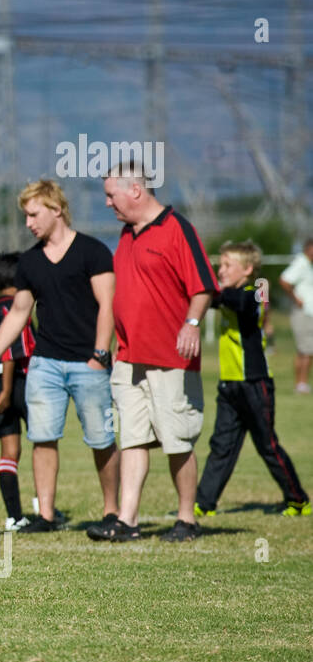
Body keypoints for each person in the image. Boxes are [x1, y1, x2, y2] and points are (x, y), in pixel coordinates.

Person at [0, 180, 118, 533]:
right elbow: (19, 313)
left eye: (33, 214)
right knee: (42, 437)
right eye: (25, 216)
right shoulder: (30, 261)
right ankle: (46, 516)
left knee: (101, 439)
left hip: (88, 362)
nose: (28, 223)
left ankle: (114, 511)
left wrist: (99, 353)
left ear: (56, 209)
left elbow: (108, 306)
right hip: (45, 363)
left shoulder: (93, 251)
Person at [91, 161, 218, 542]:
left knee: (176, 440)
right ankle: (127, 521)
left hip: (170, 357)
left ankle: (186, 520)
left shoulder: (177, 228)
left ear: (135, 190)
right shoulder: (127, 235)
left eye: (111, 196)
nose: (108, 204)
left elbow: (204, 286)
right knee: (132, 439)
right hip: (129, 358)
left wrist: (191, 324)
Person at [195, 241, 308, 517]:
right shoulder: (227, 293)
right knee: (221, 445)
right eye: (219, 265)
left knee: (267, 445)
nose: (220, 270)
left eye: (226, 266)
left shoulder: (256, 290)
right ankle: (203, 503)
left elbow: (239, 303)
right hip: (229, 384)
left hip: (255, 384)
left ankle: (297, 499)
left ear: (247, 269)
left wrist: (210, 291)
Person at [0, 252, 35, 530]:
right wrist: (9, 390)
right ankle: (43, 507)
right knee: (42, 443)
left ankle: (14, 515)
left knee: (9, 450)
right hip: (19, 382)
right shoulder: (16, 307)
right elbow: (10, 352)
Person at [279, 237, 313, 394]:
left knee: (306, 349)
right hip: (303, 313)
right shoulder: (301, 263)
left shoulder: (309, 265)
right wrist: (296, 298)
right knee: (306, 349)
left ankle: (302, 383)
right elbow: (284, 280)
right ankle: (301, 383)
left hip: (308, 313)